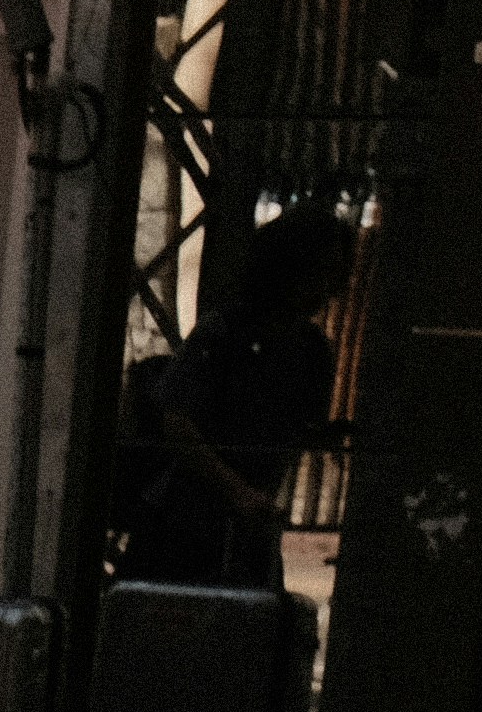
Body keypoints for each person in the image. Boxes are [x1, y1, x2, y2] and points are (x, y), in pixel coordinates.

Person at [114, 206, 352, 591]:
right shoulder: (226, 332)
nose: (323, 287)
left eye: (332, 275)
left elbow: (294, 430)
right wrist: (237, 491)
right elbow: (175, 422)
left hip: (249, 532)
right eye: (315, 272)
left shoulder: (311, 351)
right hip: (184, 527)